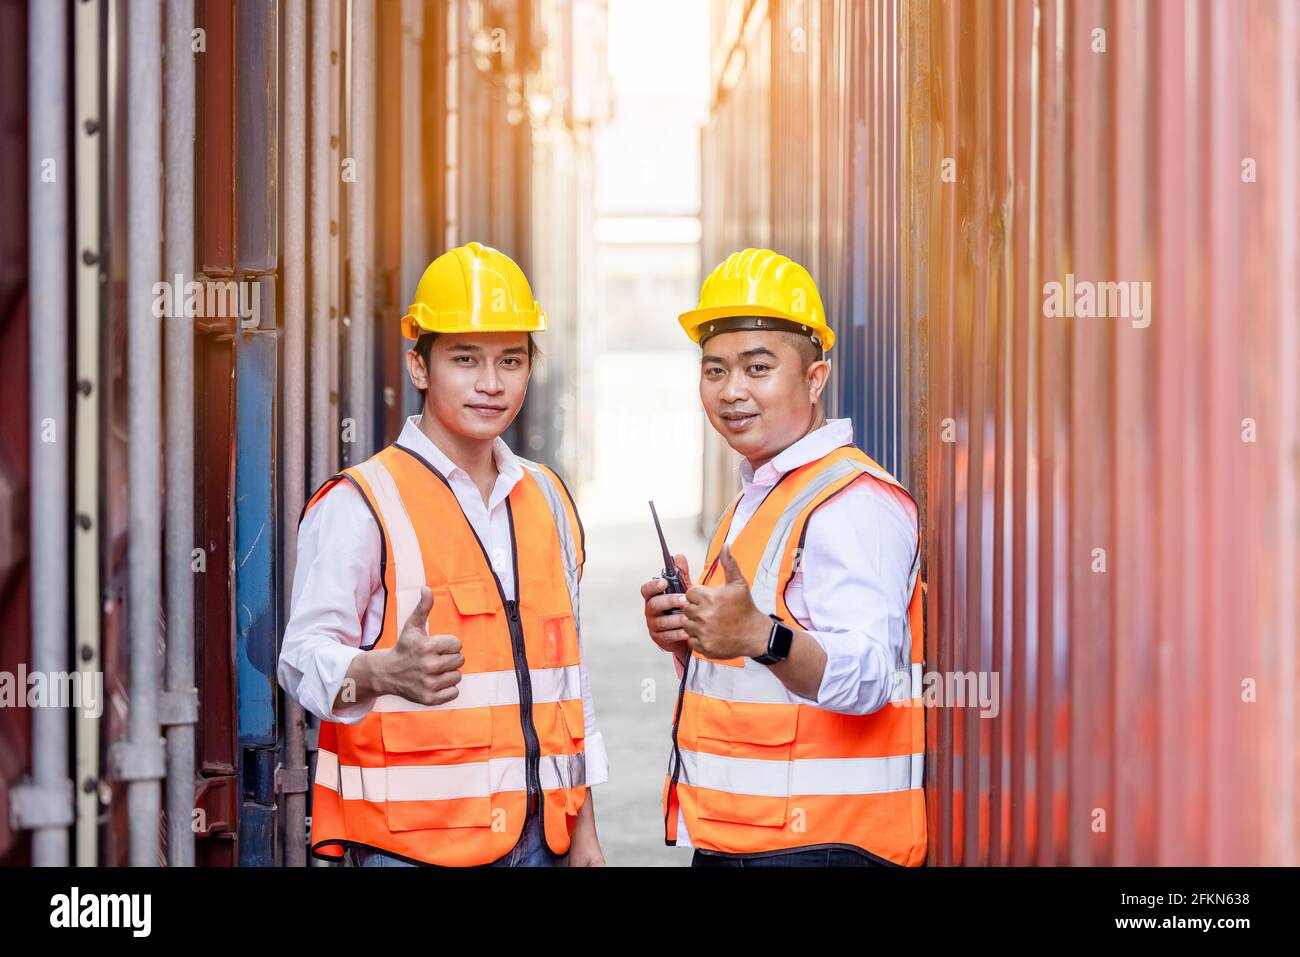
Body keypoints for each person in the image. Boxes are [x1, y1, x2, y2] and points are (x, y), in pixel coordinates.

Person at [279, 241, 606, 867]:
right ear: (419, 367)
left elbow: (569, 679)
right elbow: (301, 662)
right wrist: (381, 672)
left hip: (544, 843)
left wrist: (584, 825)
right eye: (465, 359)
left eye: (511, 359)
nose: (491, 383)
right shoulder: (361, 502)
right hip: (410, 851)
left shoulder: (547, 497)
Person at [641, 247, 927, 867]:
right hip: (749, 840)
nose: (732, 391)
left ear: (815, 378)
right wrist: (693, 638)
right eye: (714, 371)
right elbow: (755, 677)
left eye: (758, 367)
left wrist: (759, 636)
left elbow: (872, 675)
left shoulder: (850, 502)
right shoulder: (762, 495)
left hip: (823, 849)